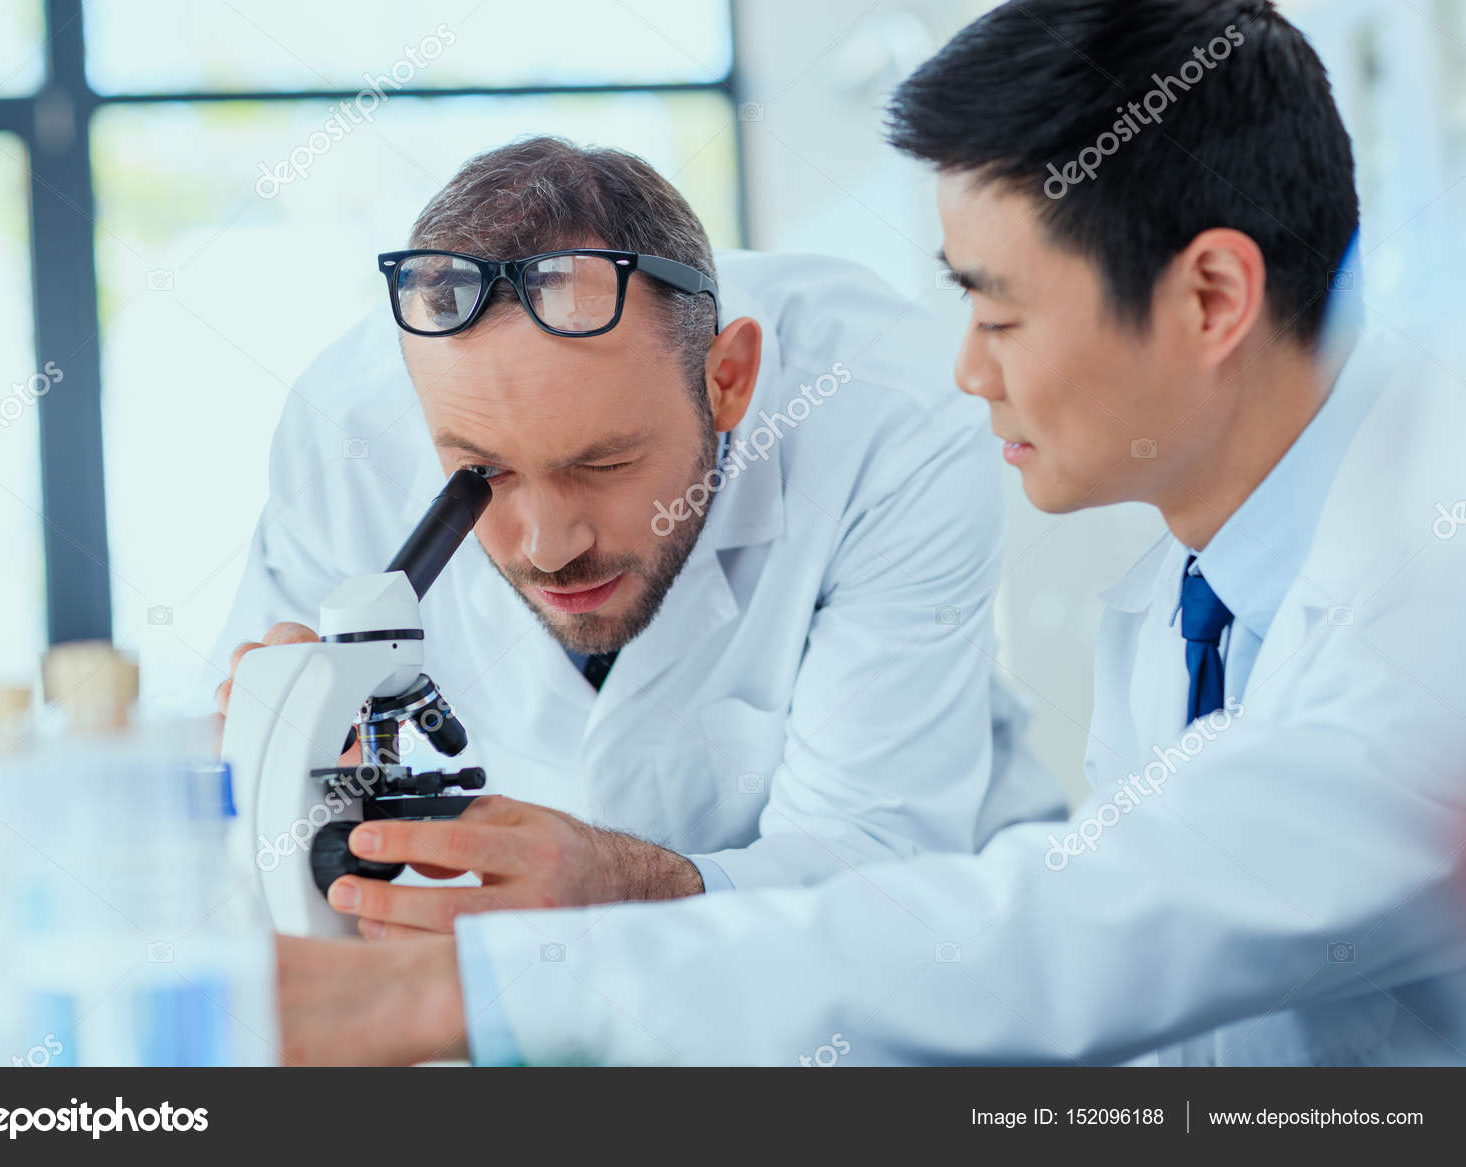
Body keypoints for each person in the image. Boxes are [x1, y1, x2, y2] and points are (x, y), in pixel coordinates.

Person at [275, 0, 1466, 1066]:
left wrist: (472, 997)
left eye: (994, 312)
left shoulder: (1430, 605)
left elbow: (1066, 931)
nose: (965, 371)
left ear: (1211, 298)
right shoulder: (1188, 601)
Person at [214, 137, 1062, 935]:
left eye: (605, 462)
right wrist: (275, 760)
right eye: (483, 473)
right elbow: (245, 829)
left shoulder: (891, 411)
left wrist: (621, 887)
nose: (548, 546)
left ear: (728, 379)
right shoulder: (348, 430)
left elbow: (873, 860)